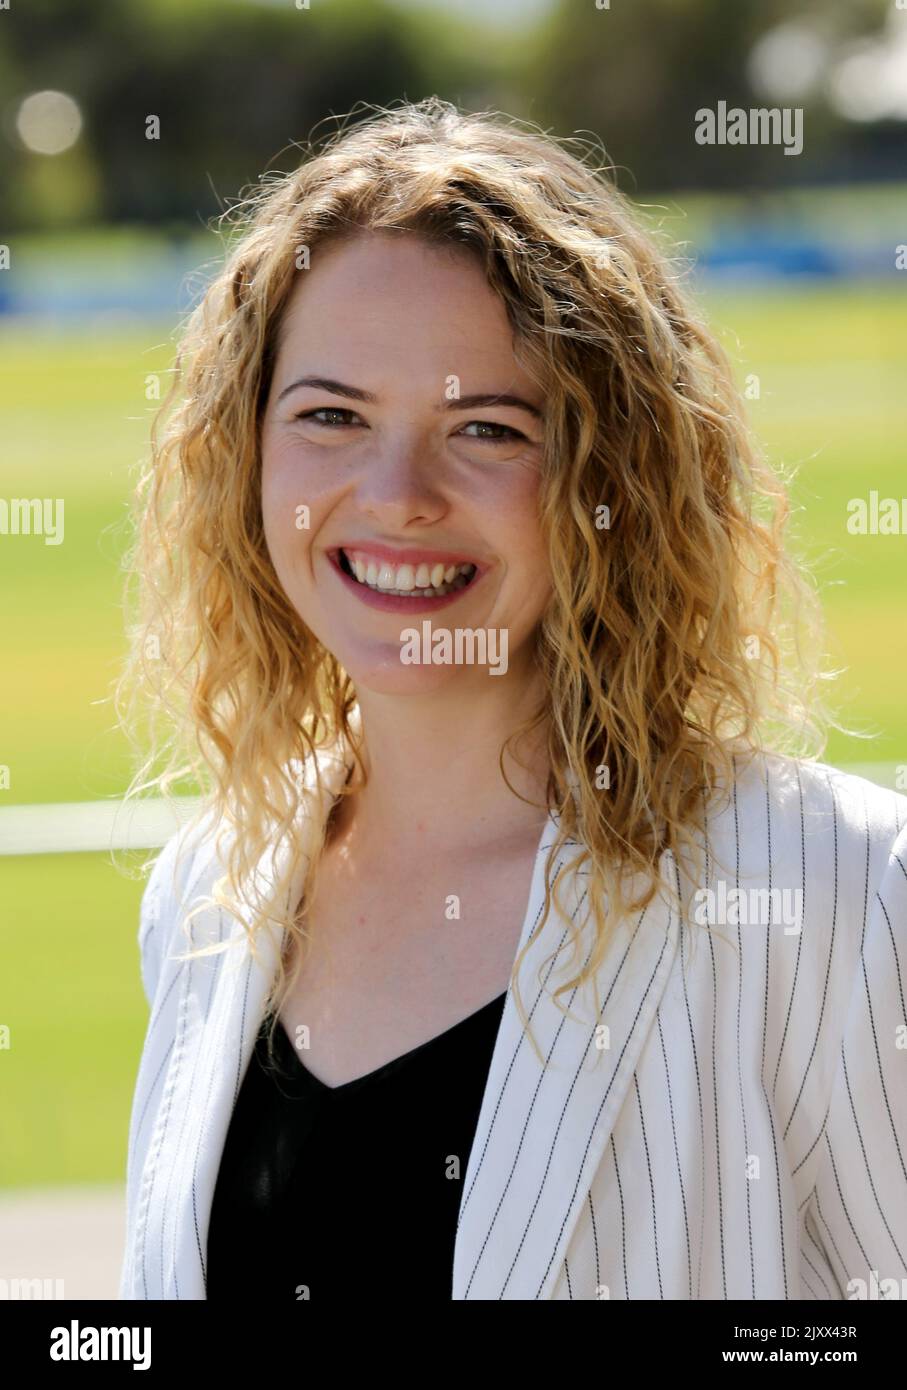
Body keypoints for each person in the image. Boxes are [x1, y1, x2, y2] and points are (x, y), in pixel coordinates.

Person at [116, 97, 907, 1301]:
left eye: (485, 428)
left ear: (610, 473)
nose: (396, 493)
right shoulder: (207, 894)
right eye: (331, 415)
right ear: (247, 452)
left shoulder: (834, 891)